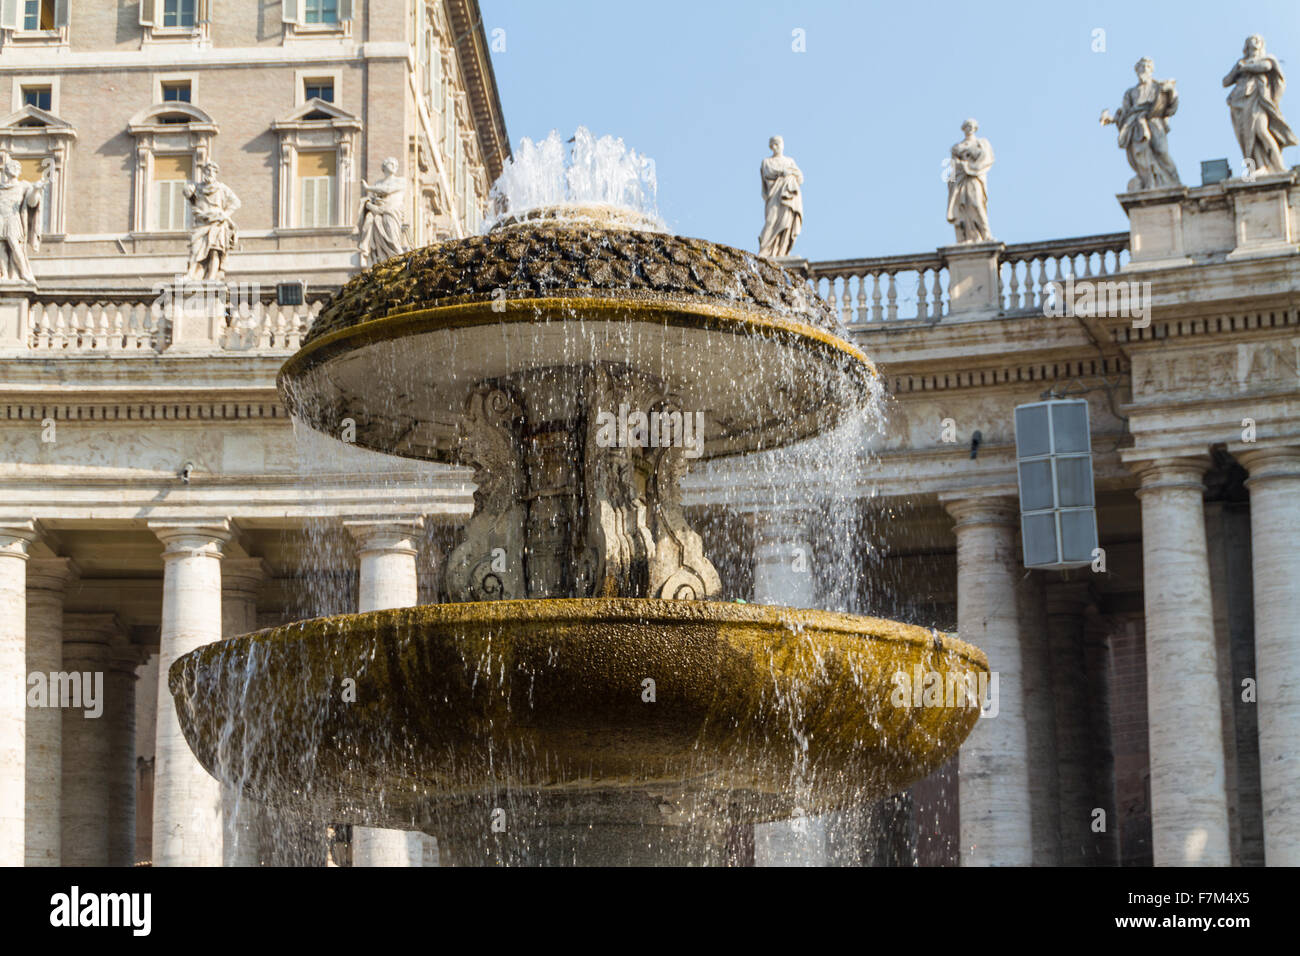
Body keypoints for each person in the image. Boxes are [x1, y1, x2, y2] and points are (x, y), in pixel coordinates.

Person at [1101, 58, 1181, 191]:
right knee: (1141, 155)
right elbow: (1124, 113)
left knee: (1161, 151)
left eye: (1146, 67)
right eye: (1140, 68)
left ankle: (1173, 180)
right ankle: (1150, 181)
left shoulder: (1158, 86)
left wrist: (1171, 91)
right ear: (1137, 71)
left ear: (1151, 70)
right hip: (1136, 125)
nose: (1143, 70)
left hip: (1154, 121)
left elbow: (1171, 107)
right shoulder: (1130, 92)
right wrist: (1111, 119)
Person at [1223, 35, 1297, 177]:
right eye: (1252, 39)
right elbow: (1225, 82)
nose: (1255, 41)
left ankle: (1278, 167)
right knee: (1247, 137)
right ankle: (1258, 167)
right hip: (1240, 102)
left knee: (1260, 130)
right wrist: (1238, 70)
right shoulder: (1241, 62)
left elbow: (1265, 66)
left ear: (1262, 44)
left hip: (1258, 99)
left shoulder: (1266, 59)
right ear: (1247, 45)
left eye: (1258, 40)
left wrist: (1245, 67)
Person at [184, 161, 240, 281]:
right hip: (202, 222)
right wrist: (188, 191)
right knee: (195, 249)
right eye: (206, 170)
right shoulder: (198, 188)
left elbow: (236, 202)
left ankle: (212, 277)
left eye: (211, 171)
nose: (209, 173)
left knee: (214, 251)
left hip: (217, 223)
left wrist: (225, 215)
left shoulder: (221, 188)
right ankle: (190, 274)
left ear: (215, 173)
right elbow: (189, 196)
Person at [946, 119, 995, 243]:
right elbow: (952, 167)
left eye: (972, 126)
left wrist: (969, 166)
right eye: (967, 126)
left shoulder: (981, 143)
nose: (970, 128)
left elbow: (987, 158)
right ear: (963, 128)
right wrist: (951, 182)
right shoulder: (957, 147)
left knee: (976, 204)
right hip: (961, 179)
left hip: (975, 177)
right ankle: (967, 237)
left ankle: (985, 234)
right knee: (963, 207)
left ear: (975, 128)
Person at [358, 157, 410, 265]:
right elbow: (370, 200)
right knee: (378, 238)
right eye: (391, 163)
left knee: (392, 236)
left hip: (392, 212)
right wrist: (371, 206)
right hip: (379, 213)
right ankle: (382, 260)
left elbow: (387, 189)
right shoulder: (378, 183)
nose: (394, 166)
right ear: (384, 166)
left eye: (396, 164)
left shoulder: (401, 180)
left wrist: (368, 188)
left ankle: (400, 260)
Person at [0, 157, 45, 284]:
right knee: (1, 248)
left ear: (20, 172)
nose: (14, 168)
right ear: (6, 169)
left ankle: (24, 272)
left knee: (15, 245)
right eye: (12, 166)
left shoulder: (23, 185)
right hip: (0, 218)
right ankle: (3, 275)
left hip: (12, 219)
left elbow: (32, 202)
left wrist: (36, 189)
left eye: (17, 167)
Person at [758, 136, 803, 258]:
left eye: (777, 144)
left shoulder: (790, 161)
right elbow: (768, 172)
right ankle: (765, 249)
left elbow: (801, 177)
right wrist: (783, 173)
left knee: (787, 223)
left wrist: (791, 174)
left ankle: (781, 250)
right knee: (771, 221)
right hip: (774, 195)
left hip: (788, 197)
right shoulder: (767, 161)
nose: (775, 147)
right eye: (772, 144)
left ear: (782, 145)